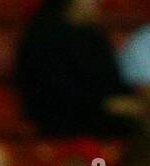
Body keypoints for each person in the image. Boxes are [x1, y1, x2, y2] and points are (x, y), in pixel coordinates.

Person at [15, 0, 143, 138]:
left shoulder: (94, 37)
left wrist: (128, 103)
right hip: (62, 121)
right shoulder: (42, 36)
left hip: (105, 116)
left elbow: (114, 83)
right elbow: (49, 92)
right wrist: (106, 104)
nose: (97, 3)